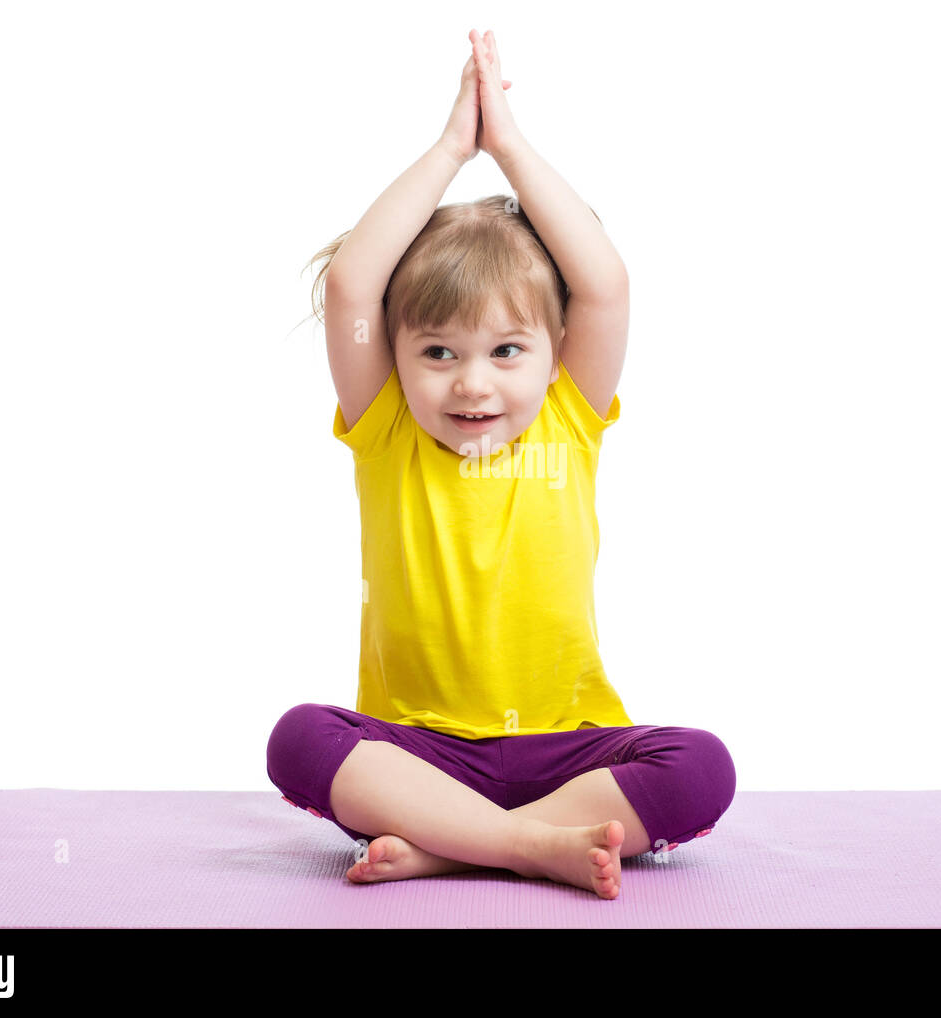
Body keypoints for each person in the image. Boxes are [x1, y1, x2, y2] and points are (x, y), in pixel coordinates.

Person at [267, 29, 735, 899]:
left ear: (556, 352)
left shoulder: (569, 417)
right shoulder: (388, 429)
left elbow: (603, 285)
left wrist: (508, 148)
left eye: (507, 351)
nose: (472, 384)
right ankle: (527, 847)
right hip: (421, 754)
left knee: (699, 767)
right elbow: (351, 288)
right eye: (438, 352)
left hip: (568, 747)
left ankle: (460, 847)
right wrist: (452, 150)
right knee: (300, 739)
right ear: (396, 358)